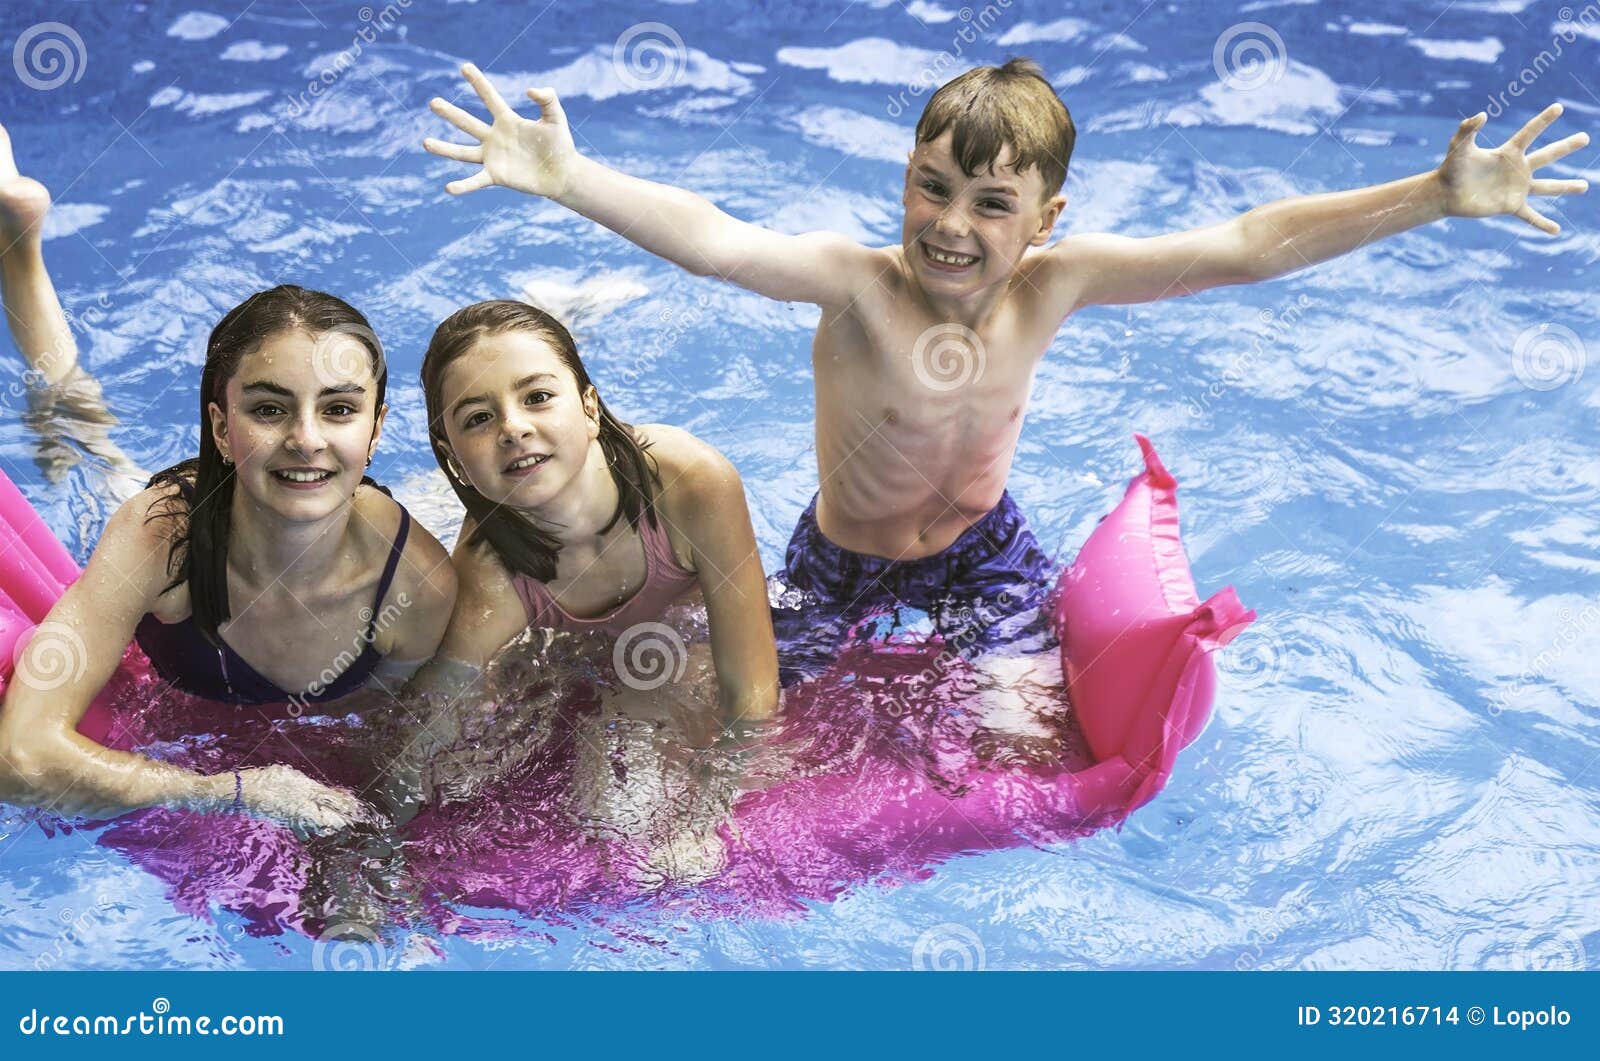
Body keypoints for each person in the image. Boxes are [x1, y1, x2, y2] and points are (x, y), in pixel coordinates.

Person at [422, 59, 1589, 658]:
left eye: (991, 203)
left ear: (1044, 217)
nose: (950, 224)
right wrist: (573, 178)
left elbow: (1242, 245)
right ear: (903, 181)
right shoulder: (854, 284)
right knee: (780, 743)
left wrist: (1432, 196)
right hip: (835, 562)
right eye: (930, 187)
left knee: (1023, 721)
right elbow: (718, 241)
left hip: (986, 550)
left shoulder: (1057, 286)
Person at [0, 123, 457, 833]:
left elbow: (381, 754)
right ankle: (19, 247)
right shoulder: (161, 535)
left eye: (338, 409)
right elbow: (20, 755)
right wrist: (228, 789)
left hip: (363, 535)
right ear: (221, 427)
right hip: (205, 514)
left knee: (446, 503)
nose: (305, 437)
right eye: (270, 408)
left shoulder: (414, 587)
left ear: (376, 429)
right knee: (81, 446)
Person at [405, 299, 778, 732]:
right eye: (479, 418)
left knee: (685, 692)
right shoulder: (487, 576)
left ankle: (576, 309)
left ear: (589, 409)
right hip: (531, 583)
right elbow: (427, 723)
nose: (512, 429)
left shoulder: (690, 486)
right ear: (452, 457)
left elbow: (753, 695)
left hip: (677, 637)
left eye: (538, 397)